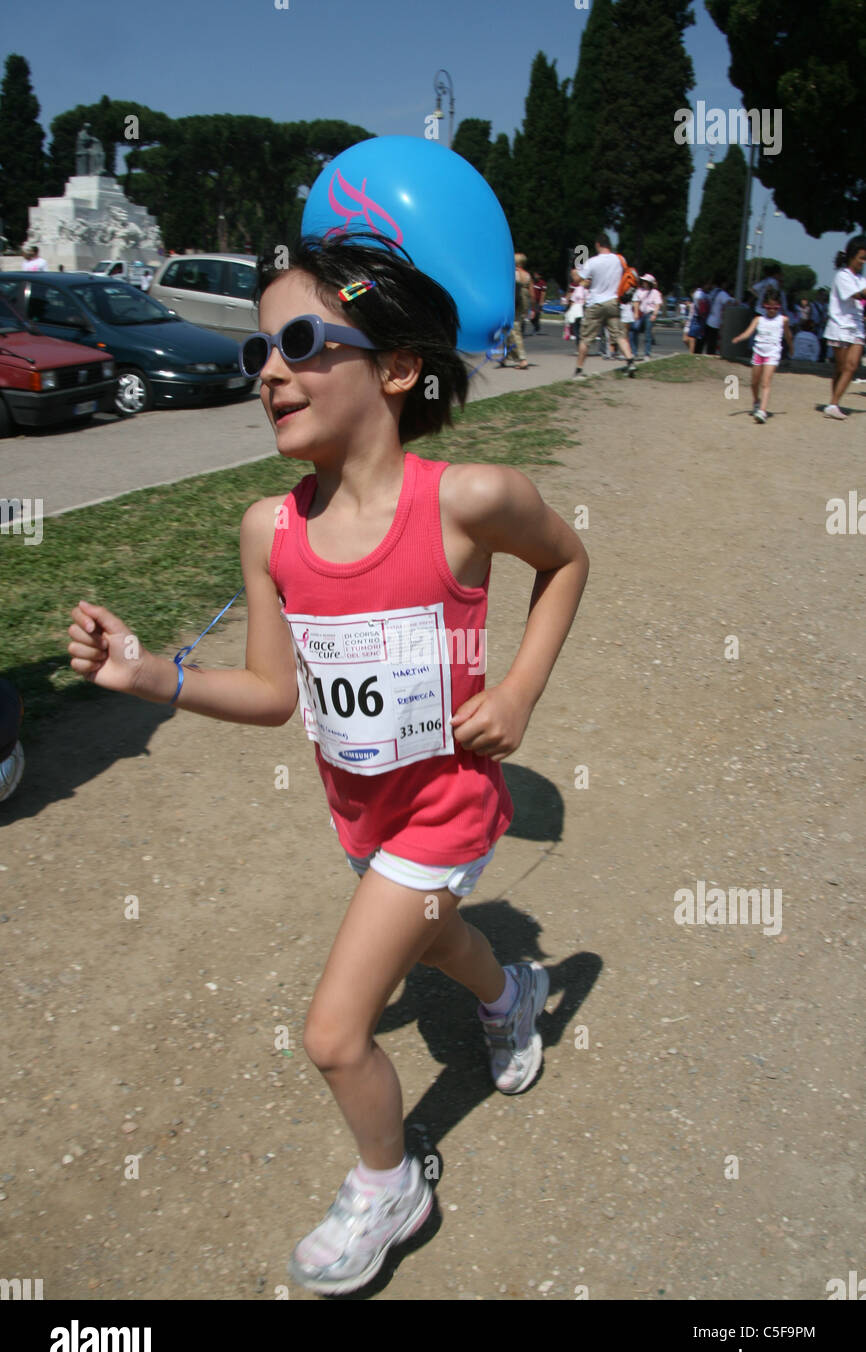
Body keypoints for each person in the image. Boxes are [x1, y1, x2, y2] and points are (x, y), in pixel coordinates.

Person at [66, 230, 590, 1297]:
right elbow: (271, 694)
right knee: (434, 936)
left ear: (396, 369)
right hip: (364, 820)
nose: (267, 370)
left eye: (301, 341)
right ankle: (512, 993)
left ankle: (389, 1182)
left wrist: (520, 689)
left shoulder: (466, 500)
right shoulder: (270, 531)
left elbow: (568, 559)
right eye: (259, 349)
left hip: (447, 806)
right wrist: (150, 676)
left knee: (335, 1029)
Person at [572, 234, 637, 378]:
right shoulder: (620, 259)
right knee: (619, 334)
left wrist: (575, 268)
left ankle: (579, 369)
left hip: (596, 303)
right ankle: (630, 361)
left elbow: (578, 279)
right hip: (614, 301)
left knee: (586, 338)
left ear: (598, 244)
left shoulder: (592, 262)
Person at [730, 288, 793, 422]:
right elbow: (748, 333)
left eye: (775, 307)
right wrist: (739, 338)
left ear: (779, 307)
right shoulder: (758, 319)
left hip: (773, 352)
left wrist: (791, 348)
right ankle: (756, 401)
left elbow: (788, 336)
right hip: (758, 352)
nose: (771, 310)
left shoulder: (783, 320)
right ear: (764, 306)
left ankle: (762, 411)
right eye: (768, 307)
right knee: (754, 382)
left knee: (766, 382)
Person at [821, 235, 866, 420]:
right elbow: (858, 295)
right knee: (840, 368)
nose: (863, 262)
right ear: (851, 257)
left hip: (857, 326)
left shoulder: (862, 277)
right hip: (840, 326)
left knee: (852, 366)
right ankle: (834, 403)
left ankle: (833, 404)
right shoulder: (842, 276)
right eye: (861, 258)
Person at [499, 252, 531, 369]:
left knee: (513, 330)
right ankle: (505, 357)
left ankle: (522, 359)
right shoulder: (527, 275)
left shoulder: (513, 273)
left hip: (513, 302)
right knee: (508, 330)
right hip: (523, 303)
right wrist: (532, 308)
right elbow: (531, 292)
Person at [630, 273, 663, 359]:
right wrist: (636, 313)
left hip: (649, 313)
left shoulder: (655, 292)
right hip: (641, 313)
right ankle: (634, 352)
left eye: (646, 281)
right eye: (643, 281)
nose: (644, 282)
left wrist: (654, 315)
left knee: (648, 333)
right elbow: (636, 302)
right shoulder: (639, 291)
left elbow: (657, 304)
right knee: (634, 331)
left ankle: (647, 353)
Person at [703, 276, 731, 356]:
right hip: (716, 322)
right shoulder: (722, 293)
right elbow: (728, 302)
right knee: (714, 343)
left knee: (710, 344)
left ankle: (709, 355)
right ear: (723, 284)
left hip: (709, 319)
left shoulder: (713, 292)